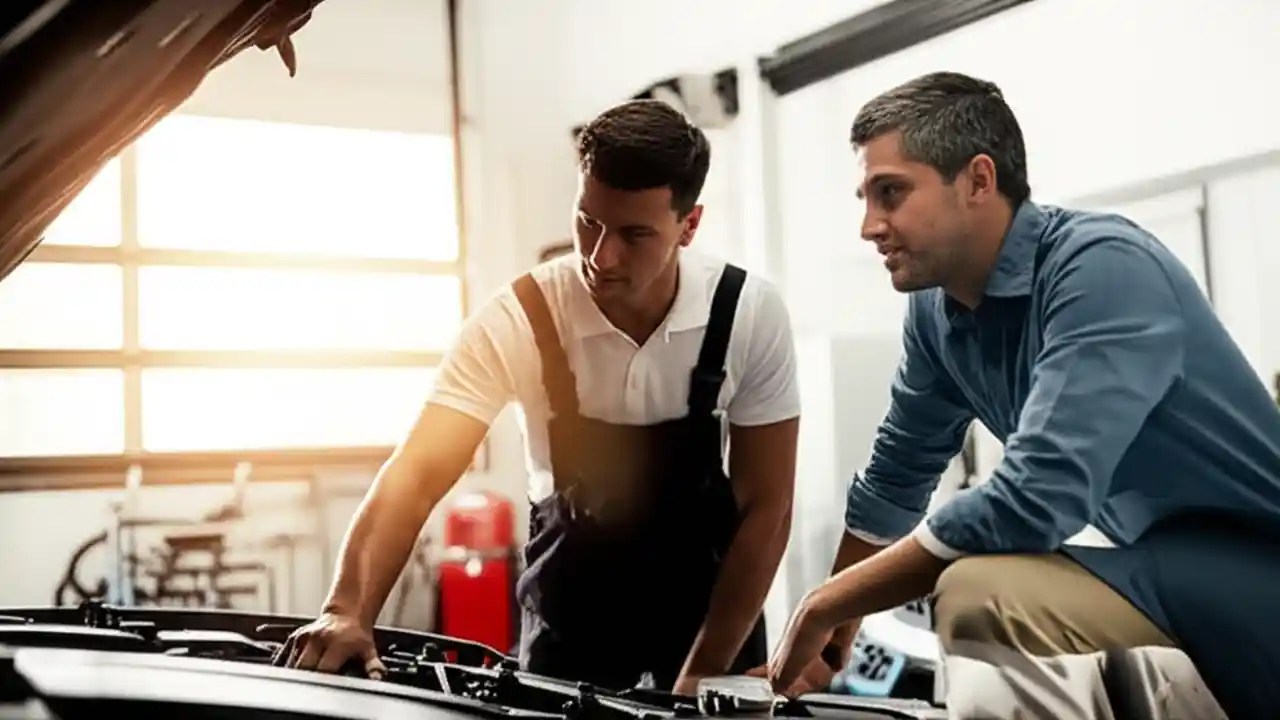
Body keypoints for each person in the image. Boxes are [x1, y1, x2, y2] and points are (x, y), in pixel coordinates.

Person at [764, 71, 1280, 718]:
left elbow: (1039, 498)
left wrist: (828, 602)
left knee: (982, 590)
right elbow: (896, 477)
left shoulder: (1104, 268)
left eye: (890, 193)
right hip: (1153, 567)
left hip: (1255, 579)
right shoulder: (935, 311)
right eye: (865, 197)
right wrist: (839, 611)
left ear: (979, 180)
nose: (869, 225)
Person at [273, 99, 802, 696]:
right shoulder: (520, 317)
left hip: (711, 605)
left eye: (634, 234)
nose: (601, 256)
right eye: (588, 222)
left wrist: (703, 673)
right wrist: (348, 607)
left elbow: (768, 506)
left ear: (689, 225)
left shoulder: (747, 313)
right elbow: (418, 472)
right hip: (574, 604)